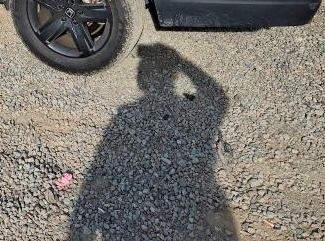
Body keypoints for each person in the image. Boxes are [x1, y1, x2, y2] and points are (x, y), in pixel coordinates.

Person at [71, 44, 237, 239]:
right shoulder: (129, 111)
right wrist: (182, 64)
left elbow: (219, 100)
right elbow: (218, 99)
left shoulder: (126, 112)